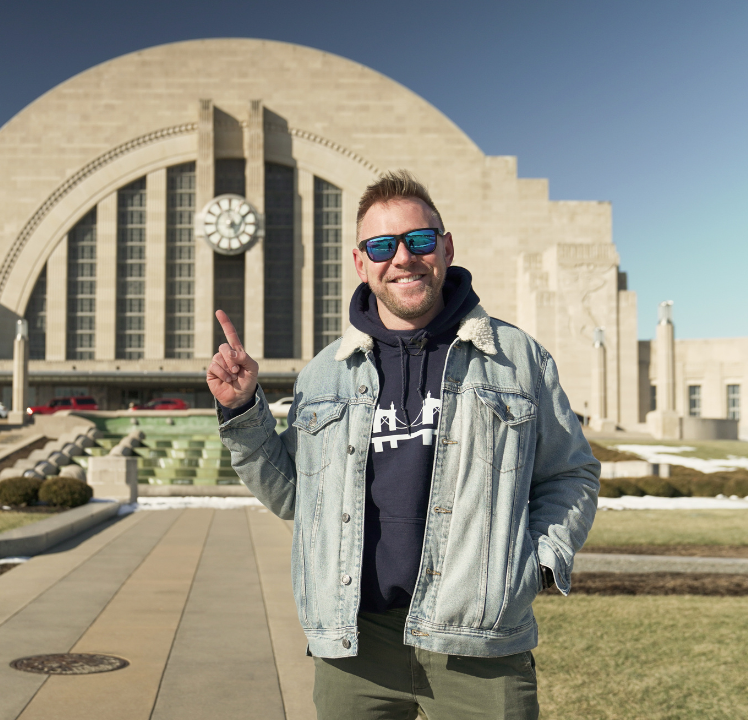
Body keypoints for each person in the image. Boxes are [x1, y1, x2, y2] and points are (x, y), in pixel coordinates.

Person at [207, 171, 600, 720]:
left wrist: (535, 563)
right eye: (381, 246)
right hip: (357, 644)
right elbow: (296, 497)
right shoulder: (324, 374)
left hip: (479, 644)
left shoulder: (516, 357)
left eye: (419, 240)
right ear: (360, 262)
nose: (403, 258)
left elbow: (570, 474)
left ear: (446, 248)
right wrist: (243, 411)